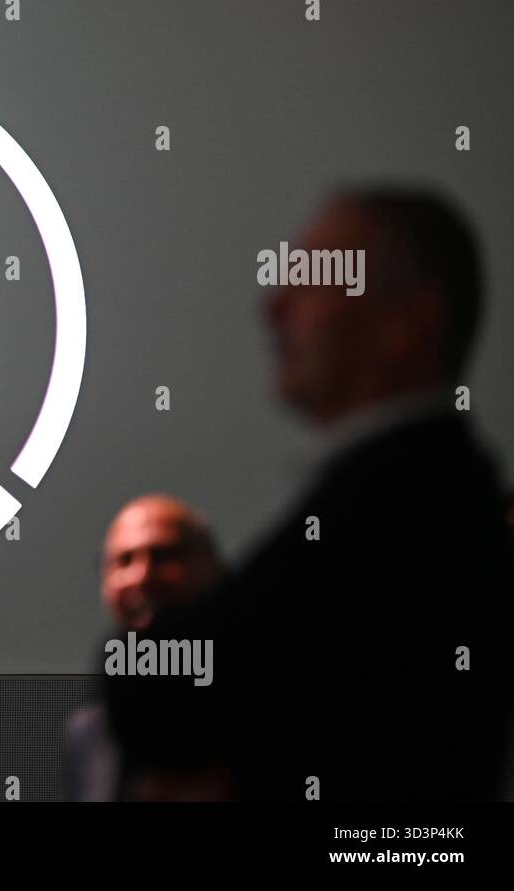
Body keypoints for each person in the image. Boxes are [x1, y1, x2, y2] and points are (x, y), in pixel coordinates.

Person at [104, 189, 514, 800]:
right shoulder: (421, 489)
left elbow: (155, 698)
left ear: (410, 322)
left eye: (315, 279)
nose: (272, 307)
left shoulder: (396, 507)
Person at [64, 494, 223, 800]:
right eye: (123, 561)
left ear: (212, 568)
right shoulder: (88, 734)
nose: (142, 576)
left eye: (164, 557)